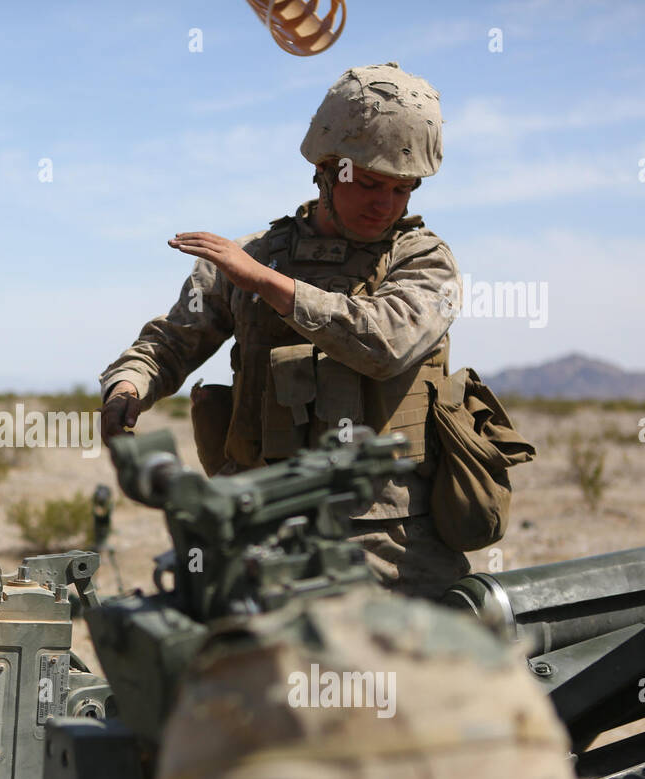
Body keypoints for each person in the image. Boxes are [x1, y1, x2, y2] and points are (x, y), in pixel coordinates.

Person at [99, 63, 470, 599]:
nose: (384, 204)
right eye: (367, 183)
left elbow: (385, 343)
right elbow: (171, 342)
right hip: (254, 514)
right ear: (326, 169)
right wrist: (128, 385)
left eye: (402, 189)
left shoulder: (423, 261)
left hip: (383, 534)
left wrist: (266, 283)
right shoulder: (249, 258)